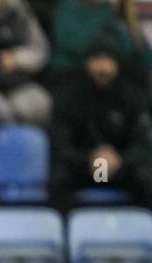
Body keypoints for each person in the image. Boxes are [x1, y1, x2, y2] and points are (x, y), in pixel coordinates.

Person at [49, 36, 152, 211]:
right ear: (87, 63)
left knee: (145, 178)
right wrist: (90, 158)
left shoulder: (131, 95)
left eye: (108, 60)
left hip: (119, 166)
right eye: (97, 59)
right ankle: (66, 234)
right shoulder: (69, 95)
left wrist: (119, 159)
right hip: (84, 166)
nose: (103, 67)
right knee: (59, 179)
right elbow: (60, 145)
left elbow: (142, 144)